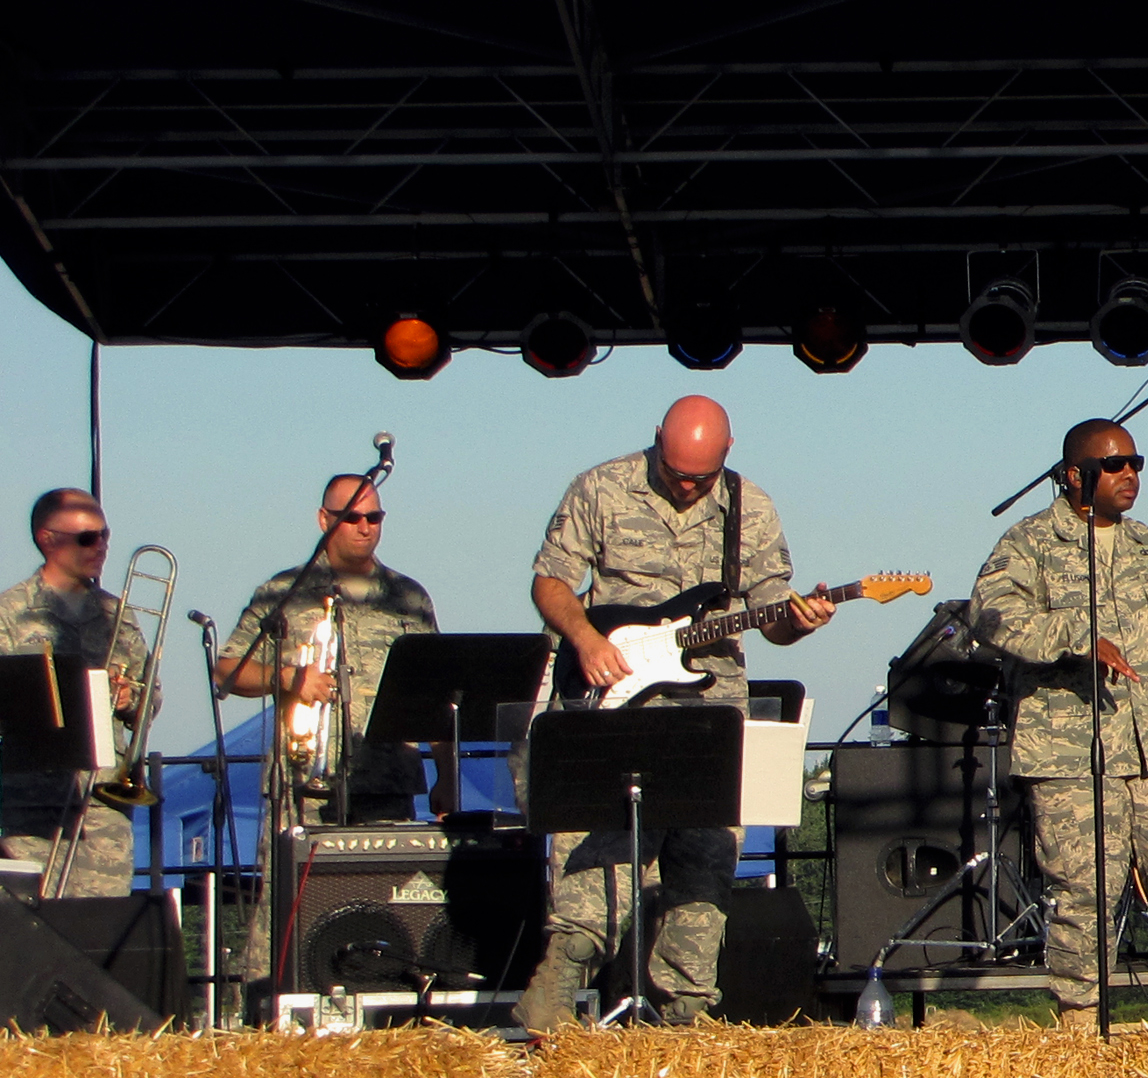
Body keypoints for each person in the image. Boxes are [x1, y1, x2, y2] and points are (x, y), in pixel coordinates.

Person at [519, 396, 833, 1028]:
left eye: (702, 477)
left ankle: (687, 1015)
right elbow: (550, 580)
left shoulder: (753, 507)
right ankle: (553, 994)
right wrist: (585, 638)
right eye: (676, 470)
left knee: (703, 867)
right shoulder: (601, 487)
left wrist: (800, 622)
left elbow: (772, 615)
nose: (687, 487)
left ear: (727, 455)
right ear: (657, 438)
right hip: (615, 705)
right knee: (602, 859)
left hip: (708, 713)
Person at [975, 418, 1148, 1029]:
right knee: (1082, 891)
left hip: (1146, 746)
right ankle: (1080, 1016)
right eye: (1116, 465)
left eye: (1136, 464)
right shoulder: (1031, 543)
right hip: (1068, 755)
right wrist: (1074, 636)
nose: (1130, 476)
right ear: (1075, 476)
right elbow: (990, 613)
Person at [218, 473, 456, 827]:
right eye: (352, 518)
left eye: (374, 518)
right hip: (304, 789)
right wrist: (286, 678)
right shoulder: (284, 592)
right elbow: (226, 671)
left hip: (386, 788)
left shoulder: (408, 597)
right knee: (298, 884)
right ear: (324, 520)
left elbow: (436, 692)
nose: (365, 528)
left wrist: (448, 775)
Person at [0, 488, 148, 897]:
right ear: (48, 539)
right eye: (86, 538)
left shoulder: (118, 614)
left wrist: (129, 699)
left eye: (104, 535)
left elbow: (149, 697)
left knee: (100, 928)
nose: (99, 546)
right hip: (33, 809)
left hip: (103, 805)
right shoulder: (8, 614)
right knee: (38, 933)